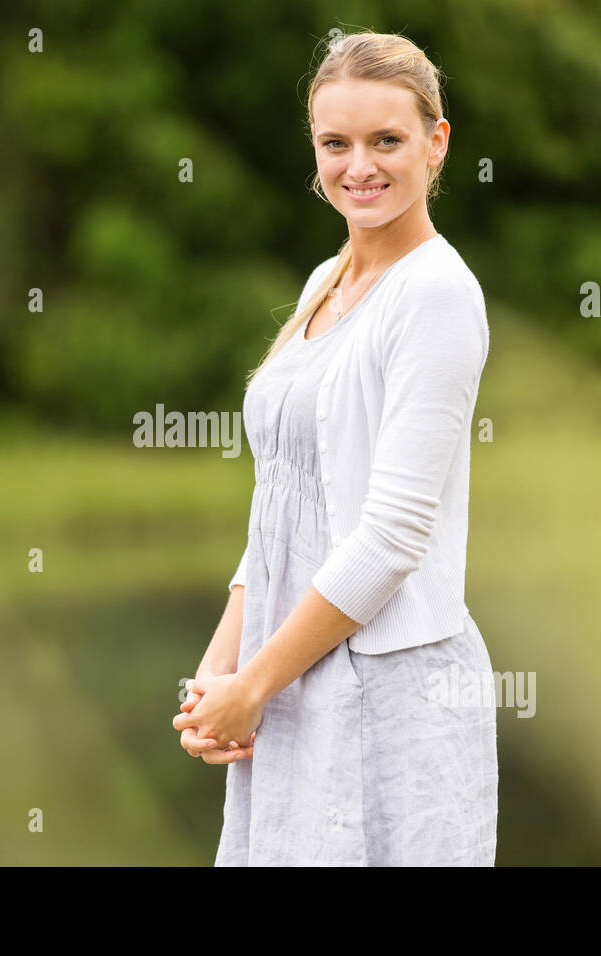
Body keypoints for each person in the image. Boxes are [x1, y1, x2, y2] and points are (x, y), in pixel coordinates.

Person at [171, 30, 498, 866]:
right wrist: (219, 673)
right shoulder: (327, 279)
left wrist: (255, 682)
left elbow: (391, 536)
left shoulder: (435, 294)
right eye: (336, 143)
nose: (360, 166)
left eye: (386, 140)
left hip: (390, 698)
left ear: (436, 141)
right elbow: (283, 506)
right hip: (292, 682)